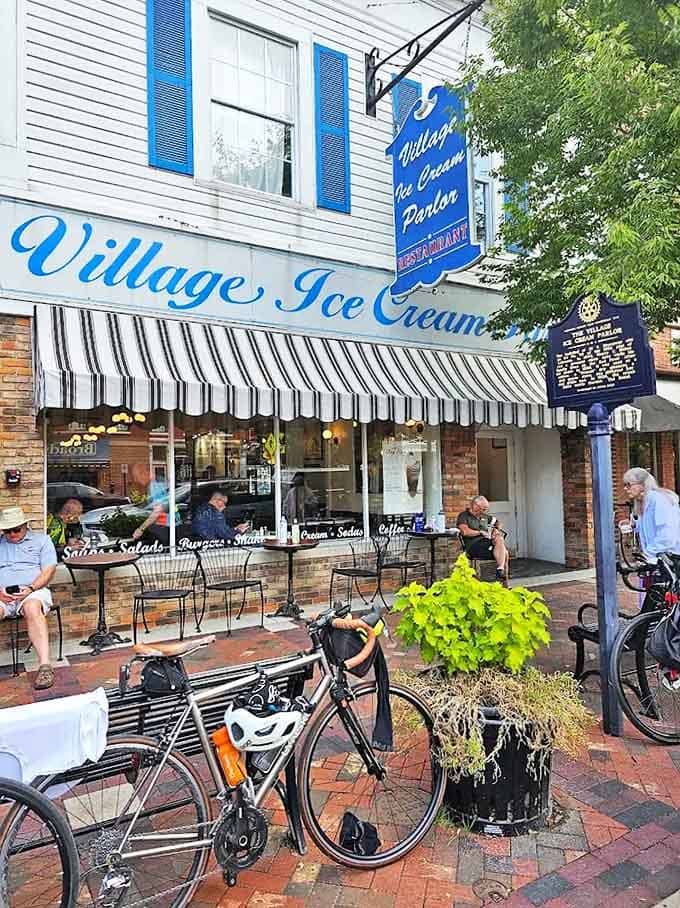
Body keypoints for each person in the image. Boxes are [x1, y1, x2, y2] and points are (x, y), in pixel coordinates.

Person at [0, 506, 58, 690]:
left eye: (16, 529)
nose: (12, 534)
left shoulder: (42, 540)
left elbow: (49, 570)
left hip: (33, 591)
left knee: (32, 608)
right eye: (7, 531)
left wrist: (31, 588)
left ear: (25, 526)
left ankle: (45, 666)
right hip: (3, 594)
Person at [623, 468, 680, 561]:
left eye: (628, 485)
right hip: (658, 559)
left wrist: (647, 553)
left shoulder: (659, 500)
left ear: (642, 485)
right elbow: (647, 531)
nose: (625, 488)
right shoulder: (642, 503)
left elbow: (667, 536)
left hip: (671, 559)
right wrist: (633, 525)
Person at [457, 495, 510, 584]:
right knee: (505, 553)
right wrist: (480, 532)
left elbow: (498, 522)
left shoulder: (485, 516)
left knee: (499, 538)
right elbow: (465, 531)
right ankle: (504, 584)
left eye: (485, 509)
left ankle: (500, 570)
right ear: (475, 506)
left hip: (487, 543)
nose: (484, 511)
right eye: (483, 509)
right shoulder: (464, 516)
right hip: (474, 545)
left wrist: (496, 529)